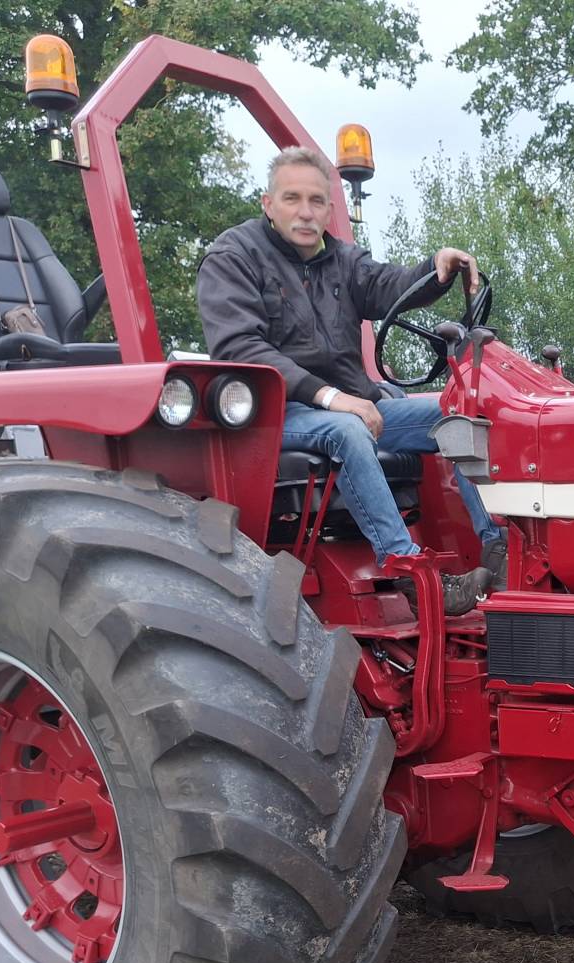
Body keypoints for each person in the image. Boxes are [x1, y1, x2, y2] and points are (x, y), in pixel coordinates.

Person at [197, 146, 505, 615]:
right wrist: (332, 397)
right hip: (278, 415)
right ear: (268, 203)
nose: (305, 212)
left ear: (329, 207)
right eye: (292, 199)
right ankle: (412, 577)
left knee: (459, 414)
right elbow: (240, 349)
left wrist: (435, 270)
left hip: (352, 404)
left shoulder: (339, 259)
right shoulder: (234, 257)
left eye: (317, 201)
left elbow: (389, 284)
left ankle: (499, 548)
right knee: (349, 428)